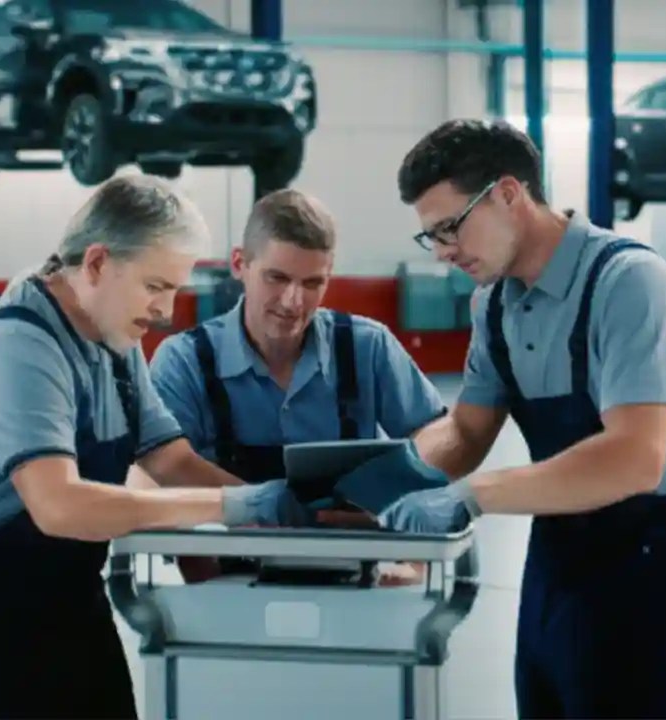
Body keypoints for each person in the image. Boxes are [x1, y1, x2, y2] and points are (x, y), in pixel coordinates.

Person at [0, 175, 312, 720]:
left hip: (70, 602)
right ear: (97, 263)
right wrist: (232, 507)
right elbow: (61, 506)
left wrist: (284, 509)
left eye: (174, 290)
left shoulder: (112, 339)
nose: (166, 311)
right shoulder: (19, 348)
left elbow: (171, 460)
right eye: (154, 287)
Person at [369, 119, 666, 719]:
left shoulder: (630, 283)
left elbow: (635, 456)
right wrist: (372, 484)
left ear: (507, 194)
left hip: (646, 572)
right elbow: (468, 430)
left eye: (450, 228)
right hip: (555, 567)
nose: (445, 251)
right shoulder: (495, 304)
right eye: (432, 237)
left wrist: (471, 496)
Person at [147, 188, 448, 583]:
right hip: (226, 579)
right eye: (277, 277)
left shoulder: (368, 348)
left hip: (359, 582)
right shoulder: (184, 362)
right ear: (240, 263)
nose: (293, 301)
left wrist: (411, 554)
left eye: (312, 283)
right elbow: (166, 468)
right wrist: (255, 511)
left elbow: (437, 438)